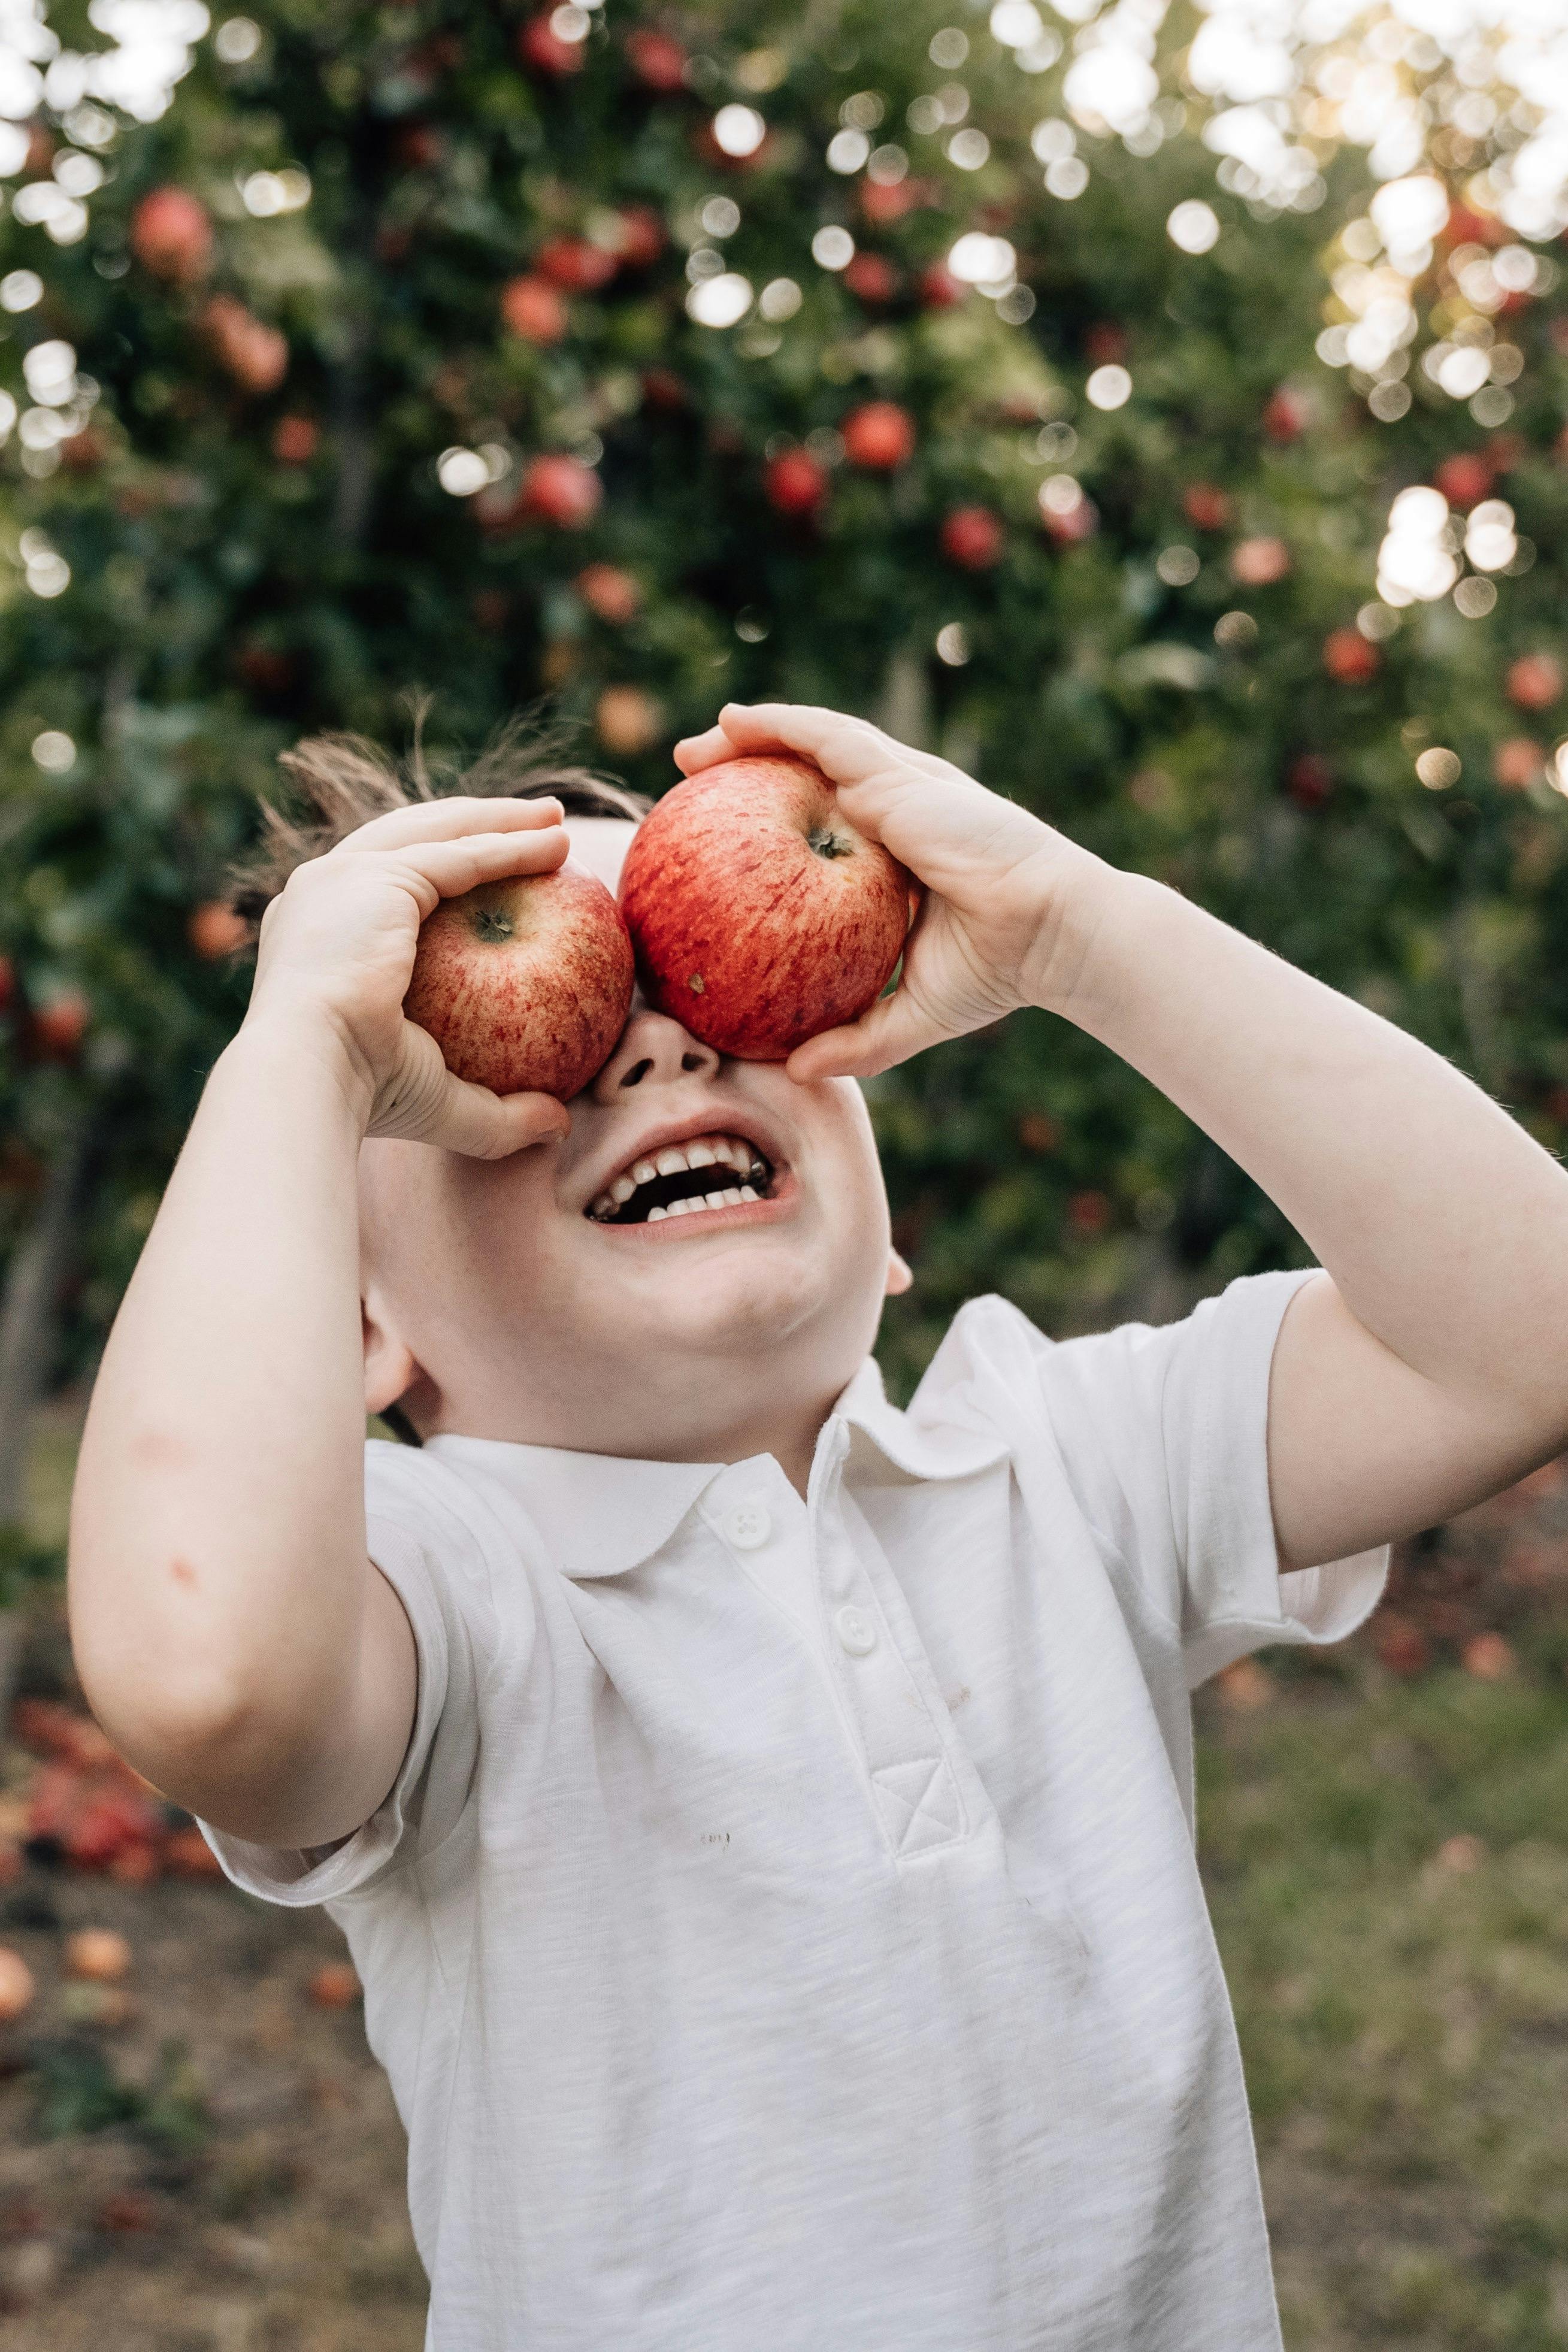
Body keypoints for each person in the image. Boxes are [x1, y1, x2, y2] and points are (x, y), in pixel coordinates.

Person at [68, 702, 1568, 2351]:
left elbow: (1527, 1333)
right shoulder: (451, 1602)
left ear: (891, 1229)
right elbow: (207, 1672)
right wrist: (299, 1048)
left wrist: (1082, 929)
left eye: (710, 993)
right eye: (528, 1060)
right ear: (352, 1332)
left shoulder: (1059, 1468)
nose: (652, 1050)